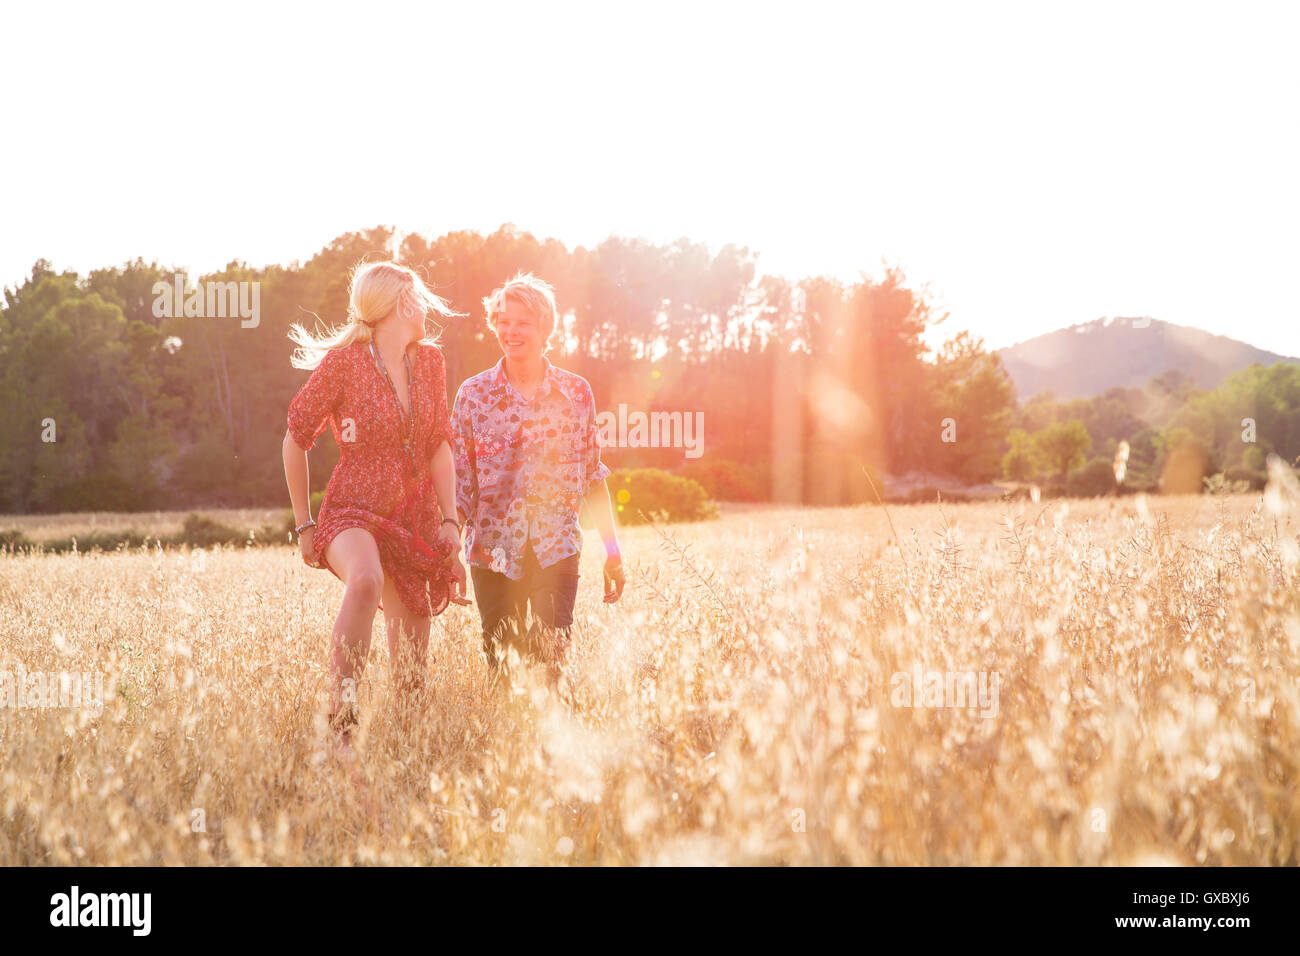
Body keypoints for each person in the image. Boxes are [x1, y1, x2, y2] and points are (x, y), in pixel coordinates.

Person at [282, 260, 469, 749]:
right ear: (402, 304)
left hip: (415, 517)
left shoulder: (429, 362)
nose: (426, 306)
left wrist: (450, 520)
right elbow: (295, 437)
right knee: (366, 580)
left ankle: (406, 754)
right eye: (419, 298)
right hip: (353, 508)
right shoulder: (344, 364)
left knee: (411, 673)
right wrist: (304, 525)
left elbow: (438, 444)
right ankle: (341, 718)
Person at [451, 272, 624, 692]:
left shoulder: (576, 393)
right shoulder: (472, 396)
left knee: (551, 662)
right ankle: (508, 749)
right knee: (504, 671)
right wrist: (448, 554)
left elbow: (592, 477)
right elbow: (459, 486)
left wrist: (613, 550)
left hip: (556, 547)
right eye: (504, 322)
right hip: (491, 551)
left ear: (545, 328)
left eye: (523, 322)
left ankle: (551, 749)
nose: (511, 331)